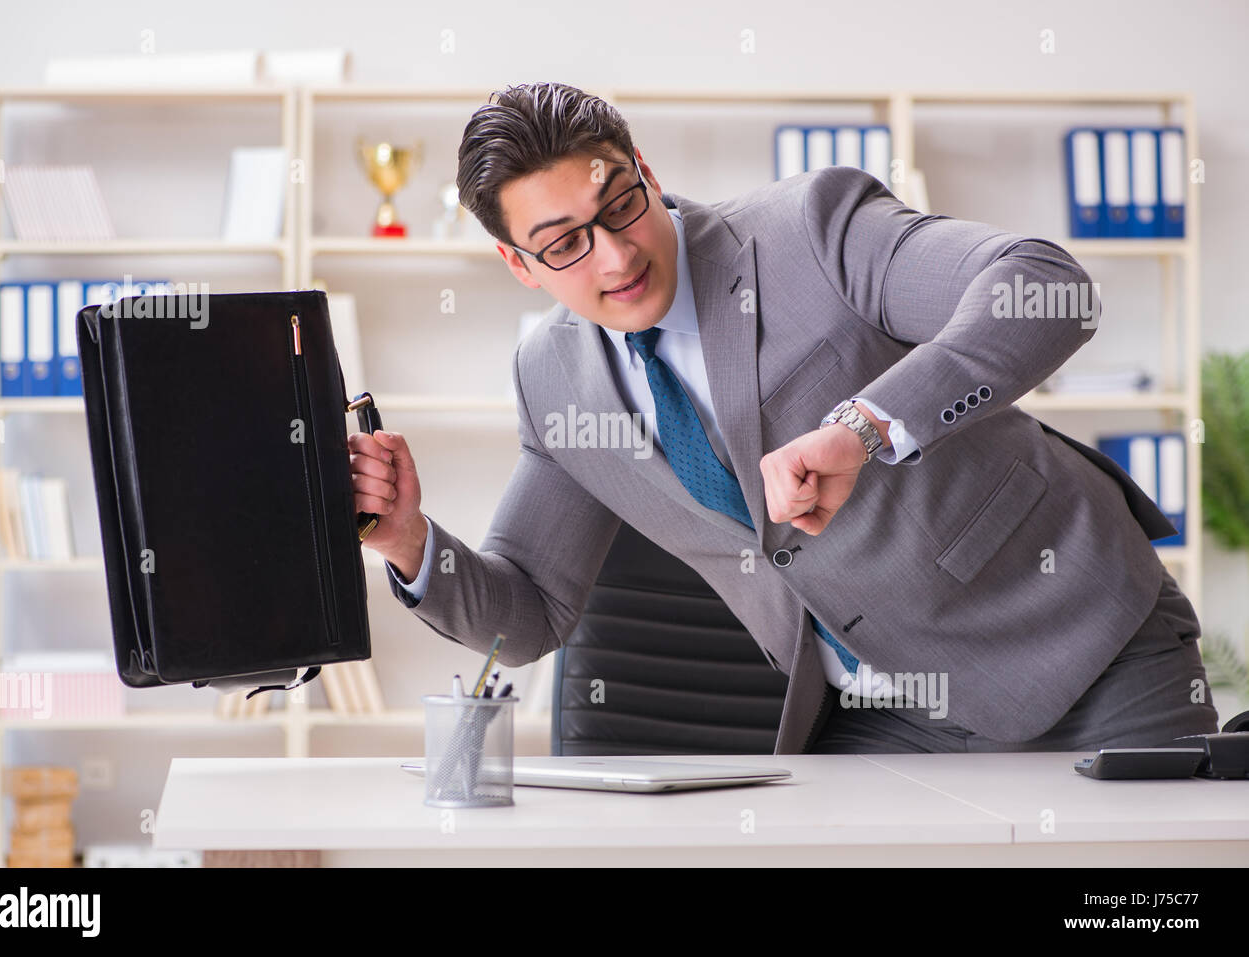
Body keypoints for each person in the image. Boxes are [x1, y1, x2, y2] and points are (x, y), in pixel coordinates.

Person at [348, 81, 1219, 754]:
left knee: (1133, 909)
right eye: (566, 242)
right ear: (518, 264)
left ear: (645, 169)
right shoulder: (553, 379)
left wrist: (865, 425)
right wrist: (408, 540)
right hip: (879, 717)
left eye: (619, 206)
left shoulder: (809, 230)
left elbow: (1044, 288)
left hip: (1083, 645)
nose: (614, 257)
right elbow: (530, 612)